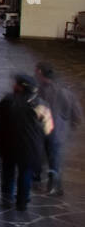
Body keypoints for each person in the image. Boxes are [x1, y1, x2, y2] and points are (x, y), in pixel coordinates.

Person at [0, 74, 51, 210]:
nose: (13, 85)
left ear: (21, 87)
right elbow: (48, 128)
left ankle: (7, 199)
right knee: (25, 174)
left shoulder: (8, 101)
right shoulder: (40, 104)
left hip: (8, 146)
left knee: (8, 173)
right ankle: (22, 203)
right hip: (30, 148)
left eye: (16, 84)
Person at [34, 61, 82, 196]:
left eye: (37, 72)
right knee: (55, 160)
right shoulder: (66, 92)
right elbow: (77, 115)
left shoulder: (40, 91)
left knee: (40, 156)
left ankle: (38, 180)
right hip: (59, 134)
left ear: (40, 73)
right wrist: (69, 129)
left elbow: (36, 112)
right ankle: (55, 186)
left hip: (44, 131)